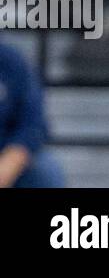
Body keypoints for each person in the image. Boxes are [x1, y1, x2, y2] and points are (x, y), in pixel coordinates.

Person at [0, 41, 64, 188]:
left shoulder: (11, 60)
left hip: (6, 152)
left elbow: (34, 124)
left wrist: (9, 164)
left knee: (46, 171)